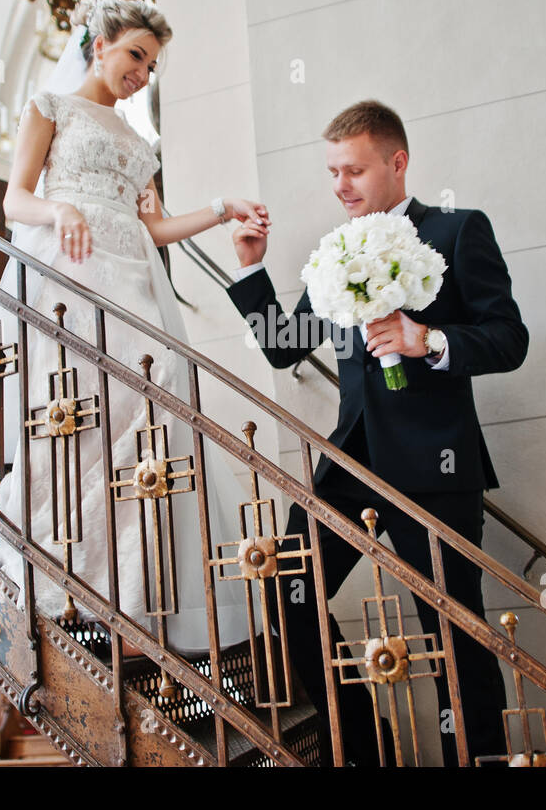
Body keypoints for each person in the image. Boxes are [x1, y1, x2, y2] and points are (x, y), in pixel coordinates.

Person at [0, 0, 270, 656]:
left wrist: (221, 208)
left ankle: (125, 593)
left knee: (146, 413)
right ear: (99, 45)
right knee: (75, 413)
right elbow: (16, 199)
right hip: (73, 272)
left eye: (151, 65)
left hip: (133, 283)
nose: (142, 73)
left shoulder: (137, 141)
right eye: (136, 56)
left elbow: (156, 227)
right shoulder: (50, 107)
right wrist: (59, 210)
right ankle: (48, 561)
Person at [226, 100, 529, 765]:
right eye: (333, 172)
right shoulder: (334, 250)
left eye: (355, 170)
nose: (341, 185)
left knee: (454, 631)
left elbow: (510, 338)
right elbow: (284, 345)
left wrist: (430, 340)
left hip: (436, 465)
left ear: (397, 162)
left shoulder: (457, 230)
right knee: (289, 594)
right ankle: (367, 751)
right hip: (351, 464)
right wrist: (251, 268)